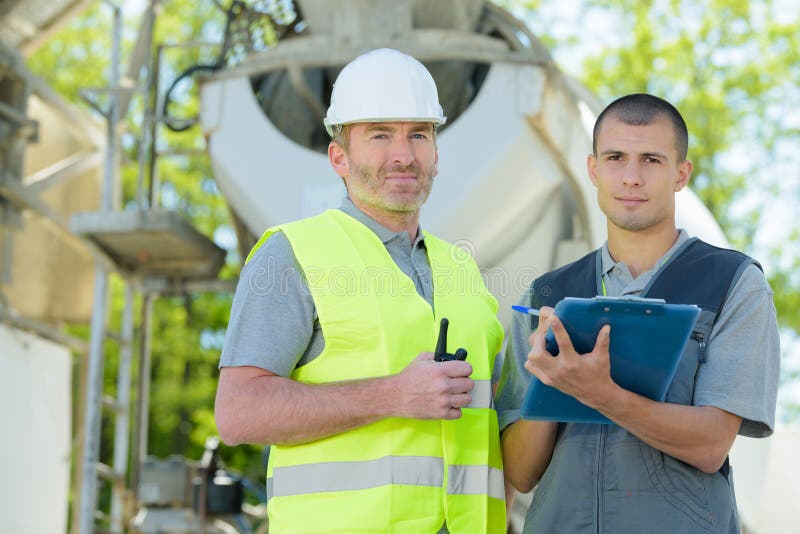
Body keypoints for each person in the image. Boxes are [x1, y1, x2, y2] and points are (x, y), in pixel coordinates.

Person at [214, 48, 506, 533]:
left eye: (418, 134)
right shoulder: (292, 254)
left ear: (436, 153)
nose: (403, 155)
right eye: (379, 135)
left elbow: (493, 424)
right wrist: (392, 395)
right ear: (339, 157)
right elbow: (238, 413)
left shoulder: (463, 270)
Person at [496, 93, 780, 533]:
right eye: (615, 157)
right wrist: (550, 382)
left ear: (681, 174)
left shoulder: (733, 282)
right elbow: (520, 472)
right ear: (593, 169)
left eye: (650, 159)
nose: (631, 177)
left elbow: (710, 445)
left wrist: (601, 394)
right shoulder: (546, 293)